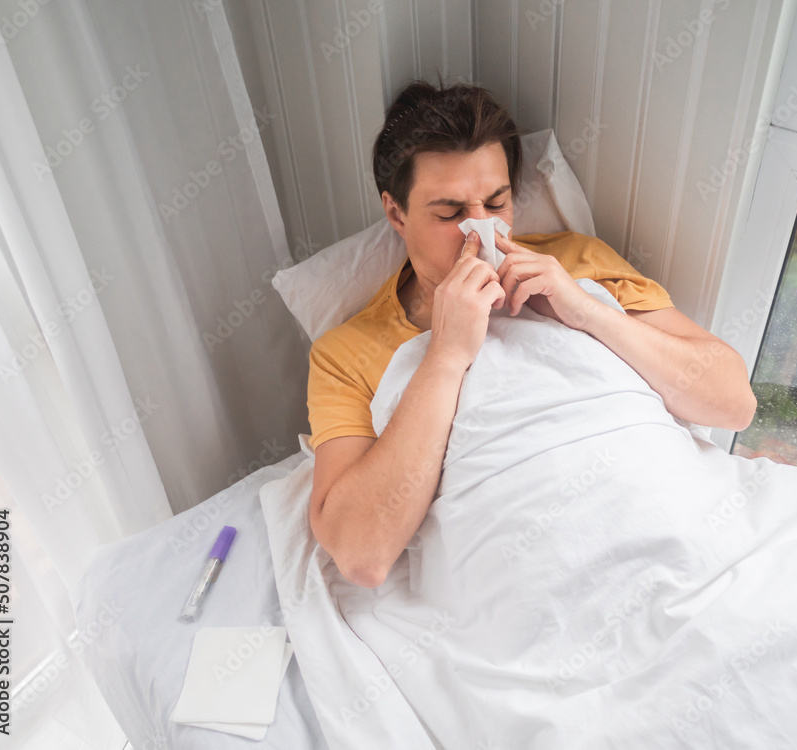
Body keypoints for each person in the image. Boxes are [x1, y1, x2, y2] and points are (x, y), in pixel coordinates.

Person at [307, 81, 756, 588]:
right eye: (450, 213)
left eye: (496, 203)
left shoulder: (576, 258)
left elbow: (733, 403)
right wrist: (447, 356)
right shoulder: (344, 353)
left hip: (675, 518)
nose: (481, 232)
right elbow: (359, 551)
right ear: (396, 213)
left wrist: (588, 312)